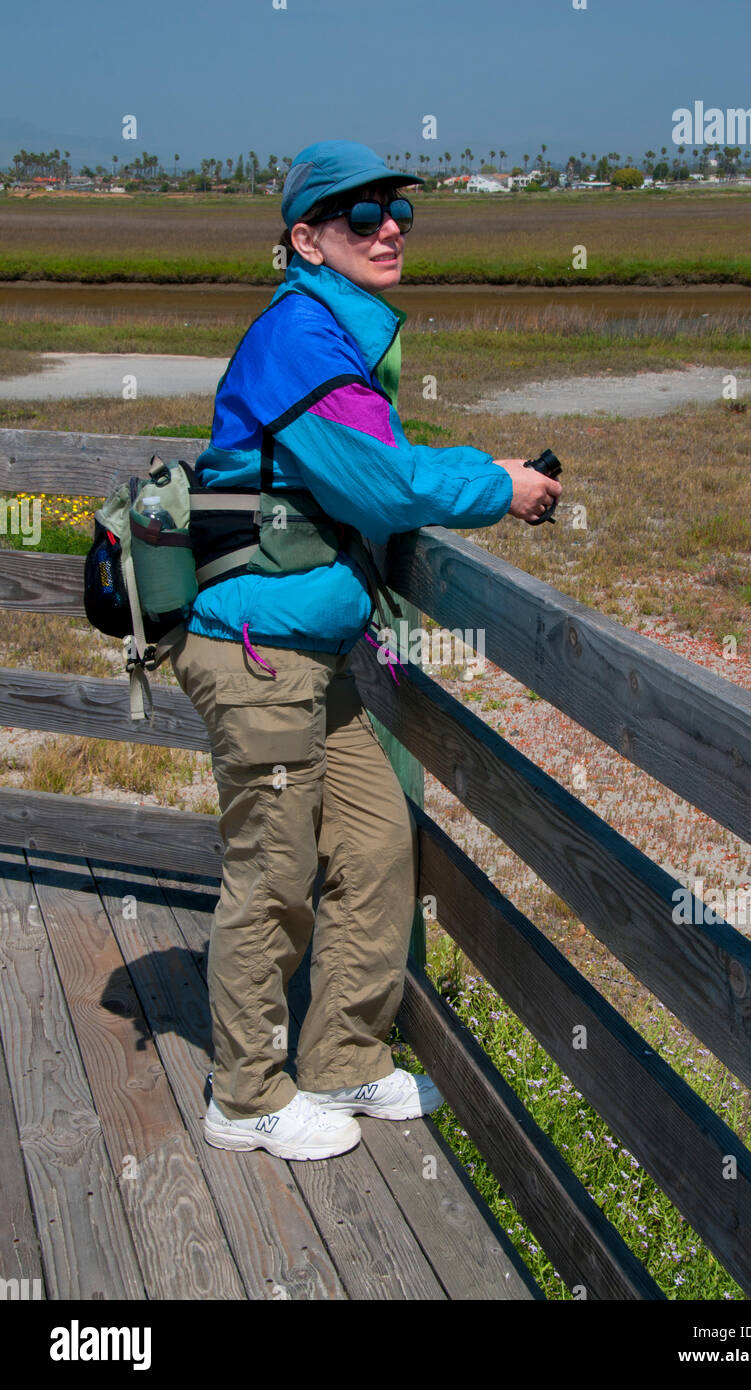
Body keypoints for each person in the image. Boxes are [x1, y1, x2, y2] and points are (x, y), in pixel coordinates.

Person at [171, 140, 562, 1161]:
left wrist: (477, 466)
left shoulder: (332, 330)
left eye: (397, 210)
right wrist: (500, 486)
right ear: (304, 239)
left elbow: (373, 462)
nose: (386, 226)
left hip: (305, 654)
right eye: (358, 215)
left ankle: (341, 1055)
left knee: (376, 844)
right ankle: (247, 1094)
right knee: (273, 870)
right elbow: (380, 486)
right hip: (257, 654)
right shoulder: (299, 335)